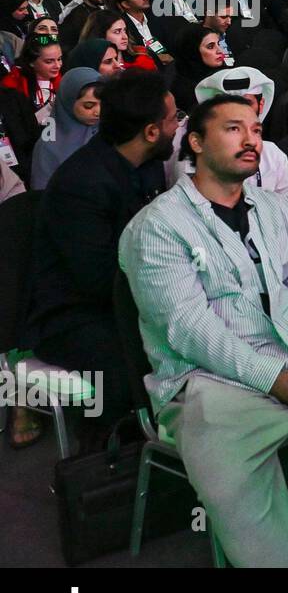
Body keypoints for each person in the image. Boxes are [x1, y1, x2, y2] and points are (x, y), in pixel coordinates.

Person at [119, 95, 288, 567]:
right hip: (205, 380)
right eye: (234, 129)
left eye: (257, 130)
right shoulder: (157, 227)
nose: (251, 140)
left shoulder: (284, 213)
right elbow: (190, 330)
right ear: (195, 142)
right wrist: (275, 380)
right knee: (219, 441)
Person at [16, 70, 176, 450]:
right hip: (73, 314)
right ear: (151, 132)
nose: (178, 127)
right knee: (131, 375)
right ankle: (107, 462)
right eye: (173, 120)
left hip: (130, 296)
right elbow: (97, 279)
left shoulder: (147, 165)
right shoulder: (83, 183)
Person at [168, 66, 288, 198]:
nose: (238, 111)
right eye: (229, 103)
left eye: (246, 102)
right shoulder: (190, 157)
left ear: (261, 105)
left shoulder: (273, 155)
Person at [30, 67, 101, 190]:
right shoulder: (48, 146)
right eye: (89, 105)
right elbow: (41, 196)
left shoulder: (111, 131)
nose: (98, 112)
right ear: (68, 101)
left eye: (104, 103)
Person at [2, 33, 63, 121]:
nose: (57, 65)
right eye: (49, 61)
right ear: (31, 62)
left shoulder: (63, 82)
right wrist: (49, 108)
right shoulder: (13, 85)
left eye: (59, 59)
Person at [169, 25, 227, 114]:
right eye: (210, 47)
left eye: (218, 44)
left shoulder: (226, 74)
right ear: (193, 51)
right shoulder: (183, 91)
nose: (219, 51)